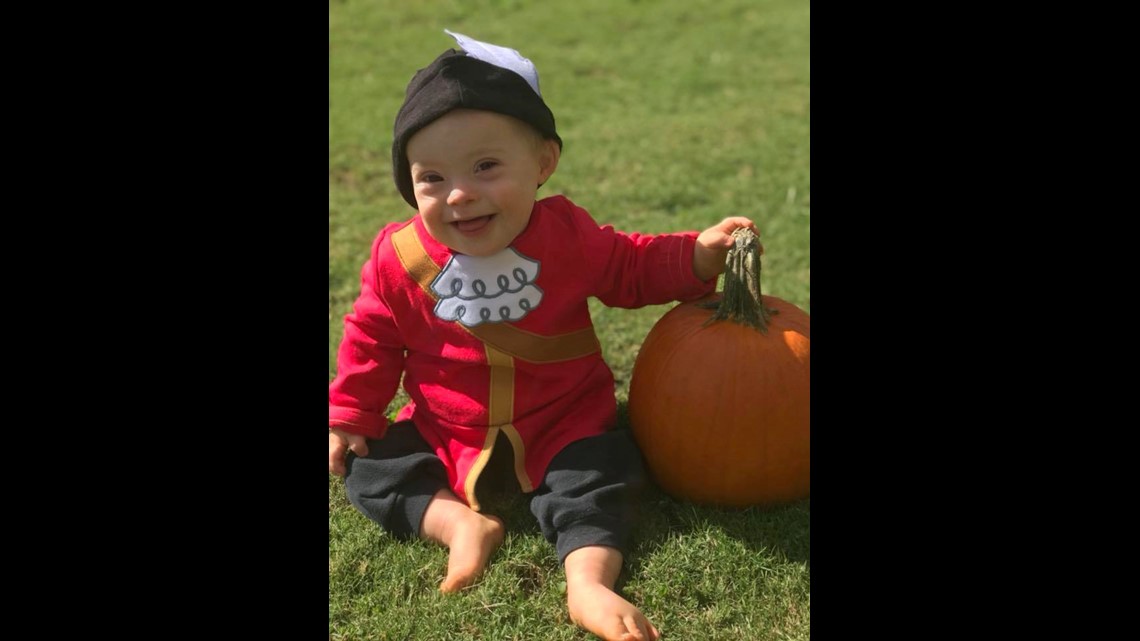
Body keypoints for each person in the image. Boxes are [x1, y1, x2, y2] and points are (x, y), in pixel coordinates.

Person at [328, 30, 756, 641]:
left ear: (543, 163)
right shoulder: (399, 258)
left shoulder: (567, 235)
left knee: (602, 474)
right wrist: (352, 412)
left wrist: (697, 257)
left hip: (563, 419)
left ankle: (588, 581)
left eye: (486, 166)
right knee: (369, 468)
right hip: (447, 426)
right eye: (431, 178)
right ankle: (457, 526)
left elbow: (630, 266)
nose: (460, 194)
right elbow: (370, 337)